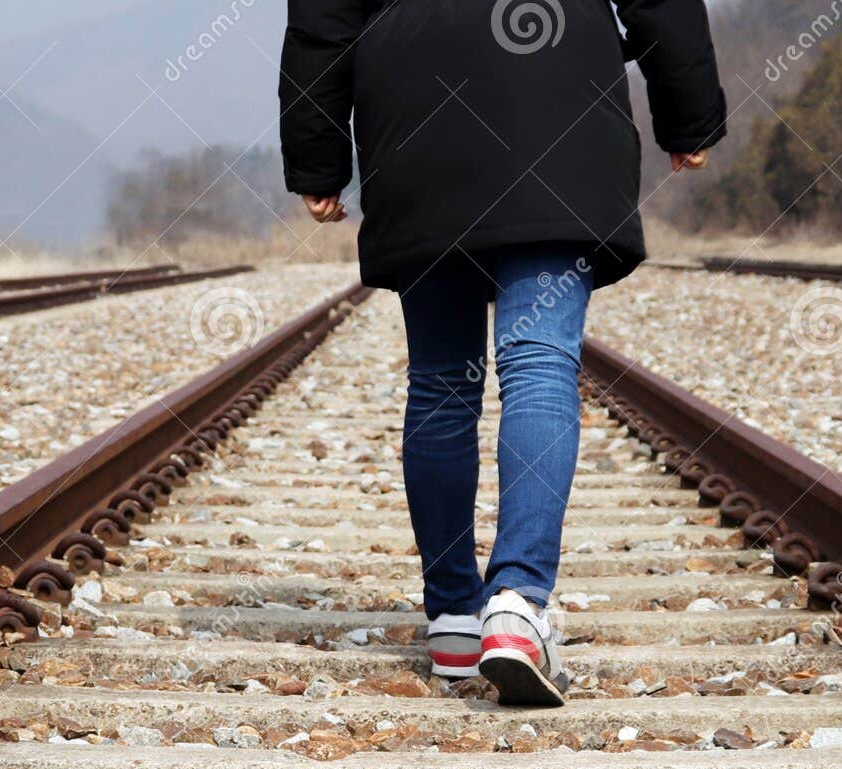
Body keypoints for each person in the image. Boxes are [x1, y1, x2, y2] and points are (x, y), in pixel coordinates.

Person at [278, 0, 726, 706]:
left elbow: (322, 19)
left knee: (440, 382)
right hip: (557, 103)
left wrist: (316, 158)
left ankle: (454, 617)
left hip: (416, 111)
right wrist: (688, 111)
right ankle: (516, 607)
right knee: (540, 360)